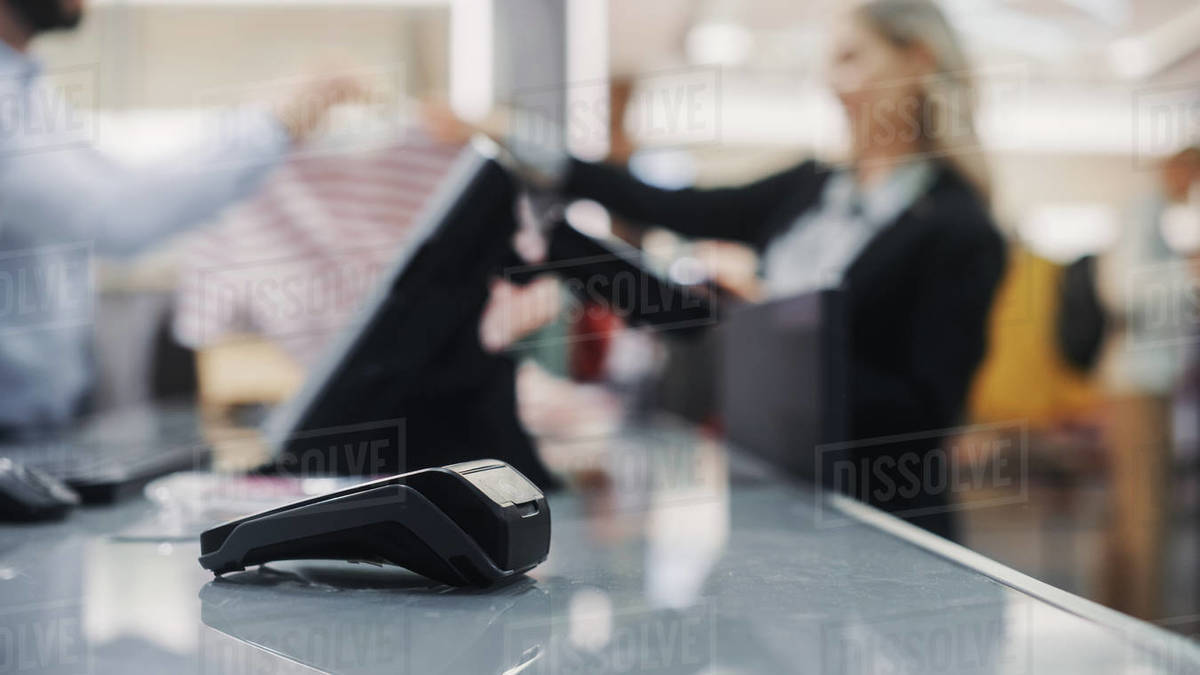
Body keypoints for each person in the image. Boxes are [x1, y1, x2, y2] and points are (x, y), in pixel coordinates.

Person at [510, 0, 1007, 539]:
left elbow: (923, 414)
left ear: (918, 59)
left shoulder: (961, 230)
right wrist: (541, 191)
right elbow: (680, 210)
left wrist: (778, 328)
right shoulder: (814, 188)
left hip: (880, 525)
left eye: (851, 57)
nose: (833, 83)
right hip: (772, 504)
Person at [0, 0, 363, 432]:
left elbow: (120, 182)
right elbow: (118, 212)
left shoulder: (25, 88)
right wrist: (277, 121)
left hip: (42, 428)